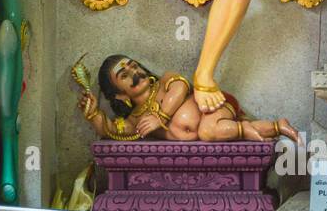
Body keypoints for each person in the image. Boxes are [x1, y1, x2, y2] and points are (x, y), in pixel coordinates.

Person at [80, 54, 299, 144]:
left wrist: (160, 116)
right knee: (215, 130)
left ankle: (247, 129)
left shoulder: (164, 81)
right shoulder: (136, 120)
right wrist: (93, 114)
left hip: (213, 107)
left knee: (208, 130)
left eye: (134, 66)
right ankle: (275, 126)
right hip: (213, 126)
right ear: (119, 94)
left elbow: (181, 85)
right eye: (125, 76)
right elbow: (110, 131)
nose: (135, 73)